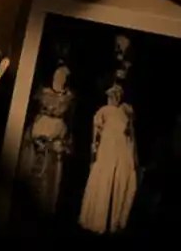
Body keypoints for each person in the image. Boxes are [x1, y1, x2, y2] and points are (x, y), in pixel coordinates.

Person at [78, 84, 138, 234]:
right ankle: (98, 220)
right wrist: (93, 155)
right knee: (104, 181)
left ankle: (115, 221)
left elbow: (130, 137)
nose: (114, 98)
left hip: (121, 152)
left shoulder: (126, 112)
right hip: (107, 152)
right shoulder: (103, 112)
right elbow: (95, 137)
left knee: (120, 181)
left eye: (117, 95)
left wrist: (132, 157)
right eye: (112, 95)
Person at [18, 65, 76, 213]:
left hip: (55, 141)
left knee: (48, 178)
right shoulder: (42, 93)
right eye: (57, 75)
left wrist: (63, 143)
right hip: (37, 136)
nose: (59, 79)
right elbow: (31, 114)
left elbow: (70, 124)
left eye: (63, 77)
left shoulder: (69, 98)